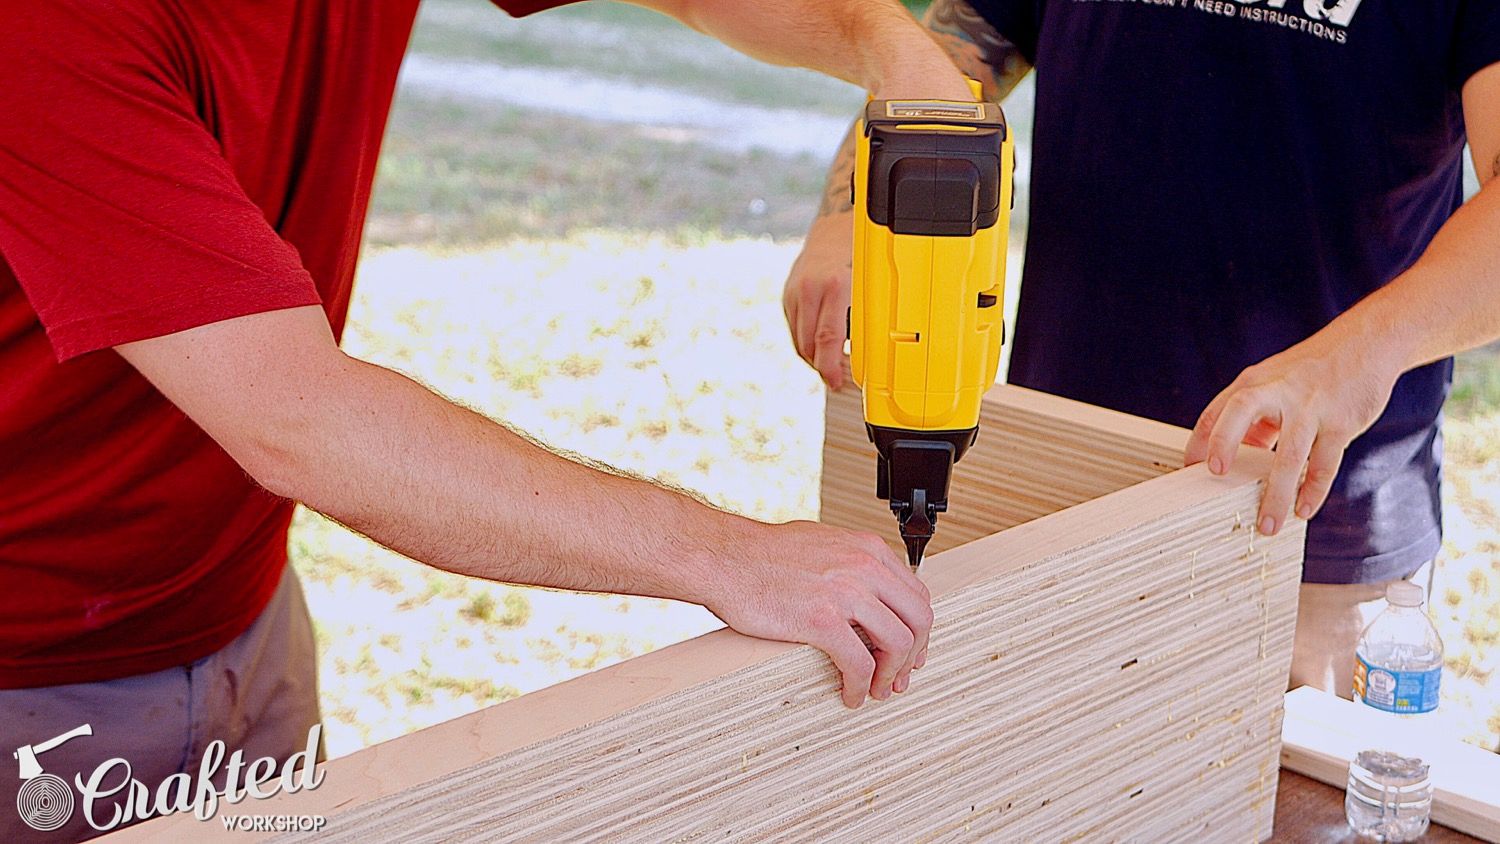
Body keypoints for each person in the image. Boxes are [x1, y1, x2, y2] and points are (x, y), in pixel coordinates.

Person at [0, 1, 970, 838]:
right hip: (32, 671)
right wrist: (729, 555)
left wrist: (892, 51)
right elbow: (296, 416)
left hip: (234, 602)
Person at [786, 0, 1500, 698]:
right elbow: (953, 50)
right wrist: (859, 209)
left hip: (1296, 523)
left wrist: (1354, 355)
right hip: (1056, 491)